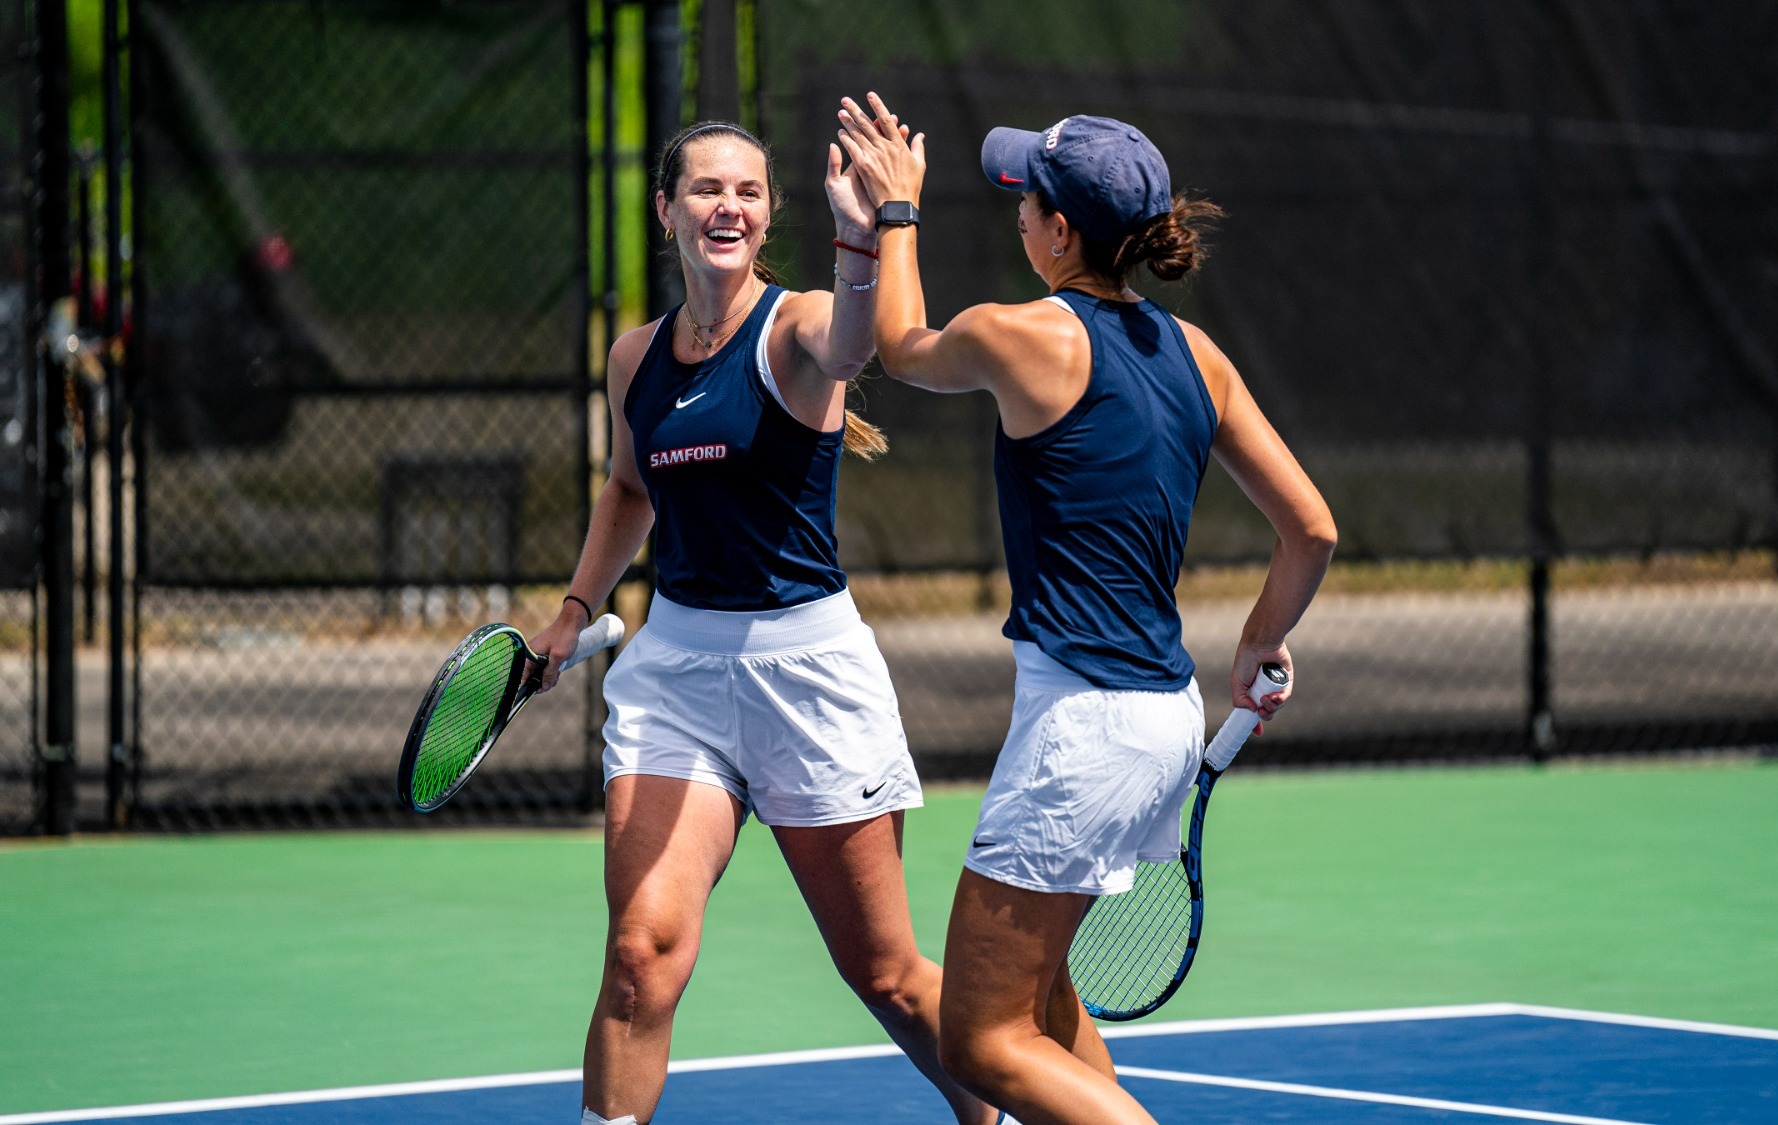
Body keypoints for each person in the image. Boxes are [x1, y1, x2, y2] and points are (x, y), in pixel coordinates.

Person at [835, 94, 1338, 1123]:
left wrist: (895, 213)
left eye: (1024, 200)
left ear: (1059, 233)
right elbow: (1313, 531)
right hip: (1162, 713)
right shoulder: (1198, 356)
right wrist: (1257, 642)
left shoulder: (1017, 337)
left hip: (1084, 728)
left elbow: (899, 345)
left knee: (978, 1039)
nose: (1015, 212)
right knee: (1040, 991)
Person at [527, 119, 994, 1125]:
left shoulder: (797, 328)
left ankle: (990, 1112)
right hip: (677, 676)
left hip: (807, 674)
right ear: (666, 211)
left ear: (770, 209)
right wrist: (572, 611)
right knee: (637, 957)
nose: (726, 206)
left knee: (885, 975)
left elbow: (855, 340)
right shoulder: (633, 360)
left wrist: (859, 238)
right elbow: (624, 491)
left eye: (746, 190)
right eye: (704, 190)